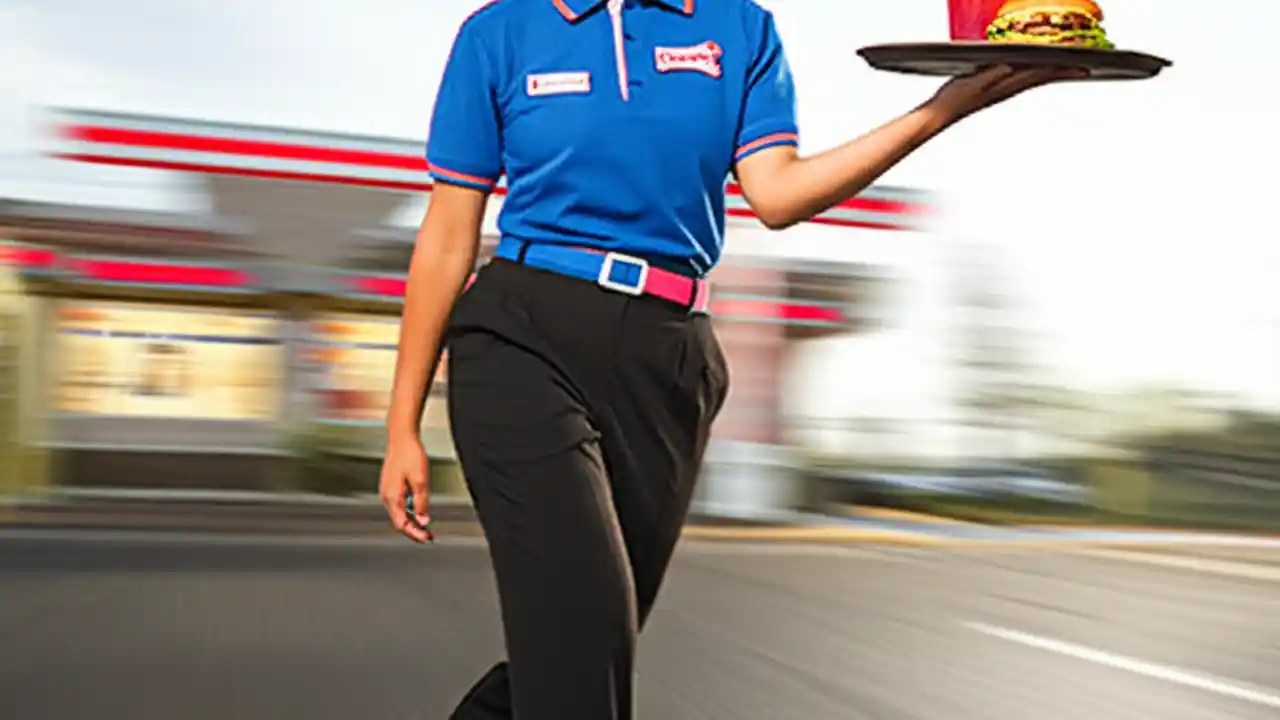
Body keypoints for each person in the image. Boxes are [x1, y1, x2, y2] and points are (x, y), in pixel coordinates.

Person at [379, 0, 1083, 717]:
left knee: (585, 643)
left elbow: (776, 195)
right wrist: (401, 424)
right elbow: (446, 237)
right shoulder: (500, 33)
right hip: (523, 337)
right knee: (584, 627)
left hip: (672, 354)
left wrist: (939, 111)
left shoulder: (739, 27)